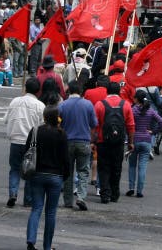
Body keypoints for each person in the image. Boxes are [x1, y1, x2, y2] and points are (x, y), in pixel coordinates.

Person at [25, 106, 70, 250]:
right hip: (55, 175)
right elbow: (66, 158)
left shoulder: (36, 131)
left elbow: (27, 150)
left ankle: (31, 240)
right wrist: (65, 175)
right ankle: (47, 246)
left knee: (36, 208)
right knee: (51, 212)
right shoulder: (61, 134)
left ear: (44, 117)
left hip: (37, 173)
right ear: (57, 117)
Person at [4, 77, 45, 208]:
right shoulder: (40, 105)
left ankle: (13, 193)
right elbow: (42, 124)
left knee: (15, 169)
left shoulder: (15, 101)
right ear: (38, 91)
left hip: (15, 140)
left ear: (25, 88)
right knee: (30, 170)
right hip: (32, 142)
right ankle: (28, 199)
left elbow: (6, 119)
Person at [93, 81, 135, 204]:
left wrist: (93, 141)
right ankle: (115, 194)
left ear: (107, 91)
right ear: (118, 92)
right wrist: (131, 142)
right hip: (119, 141)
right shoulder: (126, 105)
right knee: (116, 168)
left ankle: (105, 193)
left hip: (102, 141)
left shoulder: (100, 104)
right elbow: (131, 125)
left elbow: (95, 125)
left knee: (103, 168)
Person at [58, 80, 97, 210]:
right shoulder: (88, 105)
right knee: (83, 171)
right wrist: (92, 140)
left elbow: (58, 124)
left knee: (67, 172)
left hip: (67, 142)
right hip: (84, 141)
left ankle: (68, 200)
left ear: (69, 90)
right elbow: (93, 125)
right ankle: (80, 197)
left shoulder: (63, 105)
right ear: (81, 91)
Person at [127, 90, 162, 198]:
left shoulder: (132, 110)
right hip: (146, 140)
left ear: (136, 99)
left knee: (132, 165)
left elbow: (128, 125)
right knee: (142, 167)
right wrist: (153, 131)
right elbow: (161, 122)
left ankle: (131, 188)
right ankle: (139, 190)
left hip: (134, 140)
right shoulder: (150, 110)